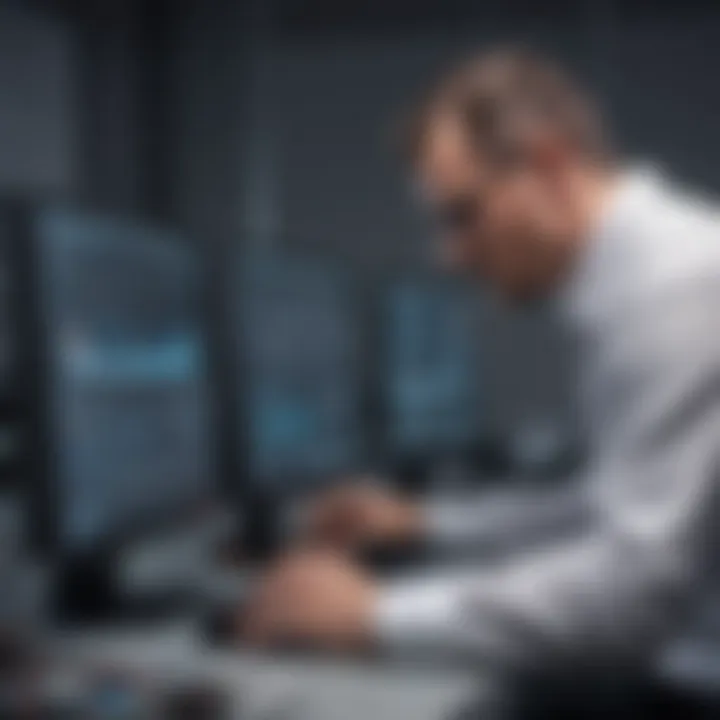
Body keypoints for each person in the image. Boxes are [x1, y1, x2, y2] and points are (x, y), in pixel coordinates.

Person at [242, 47, 720, 706]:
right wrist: (426, 524)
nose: (451, 254)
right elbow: (612, 508)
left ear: (550, 165)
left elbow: (635, 594)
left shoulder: (673, 292)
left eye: (462, 214)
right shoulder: (647, 278)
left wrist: (372, 616)